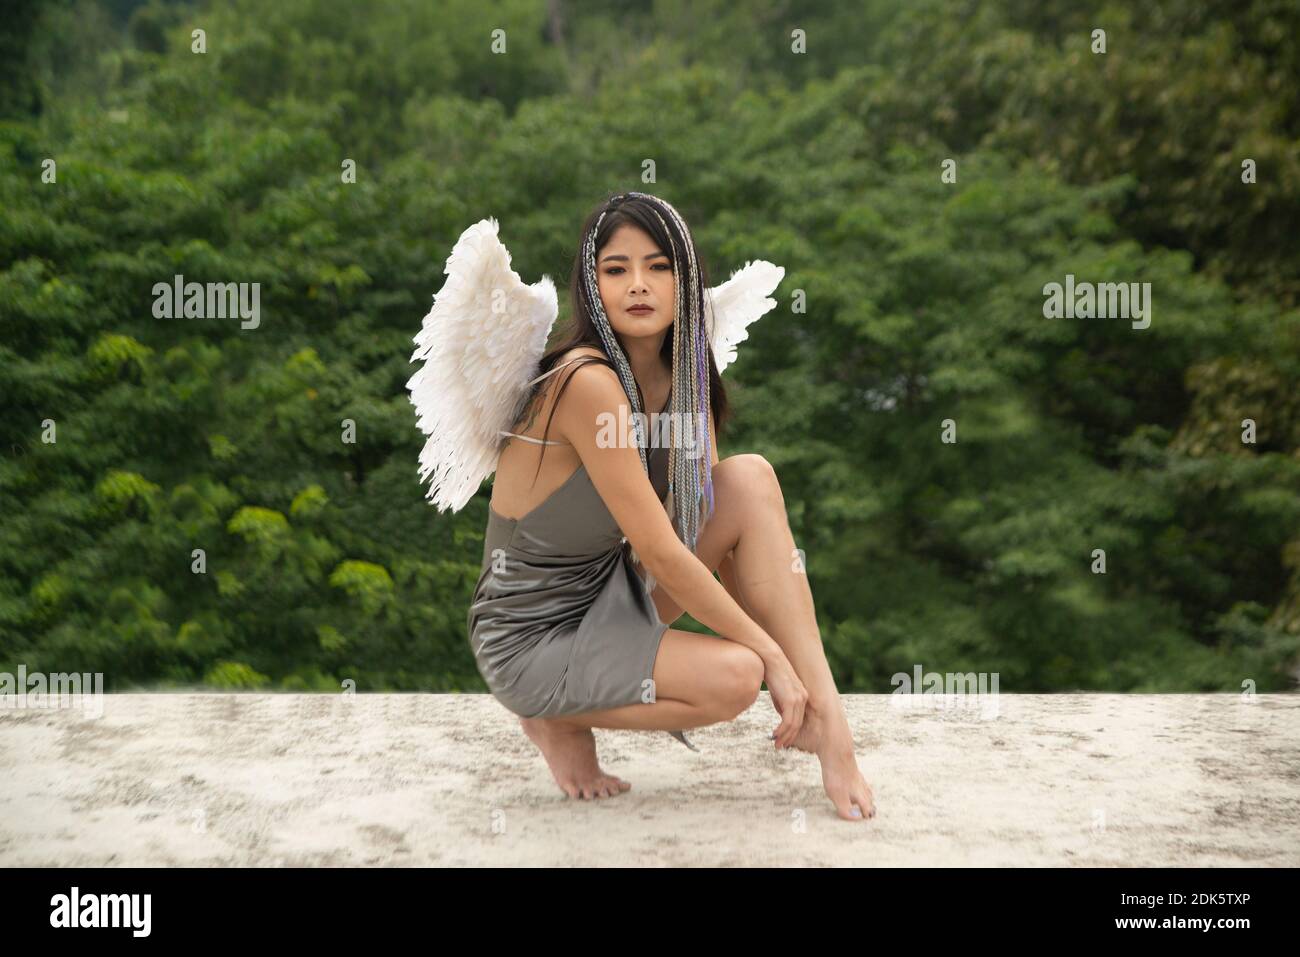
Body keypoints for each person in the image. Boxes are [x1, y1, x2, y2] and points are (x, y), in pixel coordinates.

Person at [467, 192, 875, 820]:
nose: (638, 285)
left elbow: (715, 528)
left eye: (659, 267)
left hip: (611, 597)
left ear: (687, 281)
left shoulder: (686, 374)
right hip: (532, 636)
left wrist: (792, 668)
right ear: (591, 285)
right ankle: (547, 710)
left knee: (749, 480)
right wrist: (770, 657)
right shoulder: (587, 383)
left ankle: (831, 724)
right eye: (616, 269)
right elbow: (661, 549)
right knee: (738, 674)